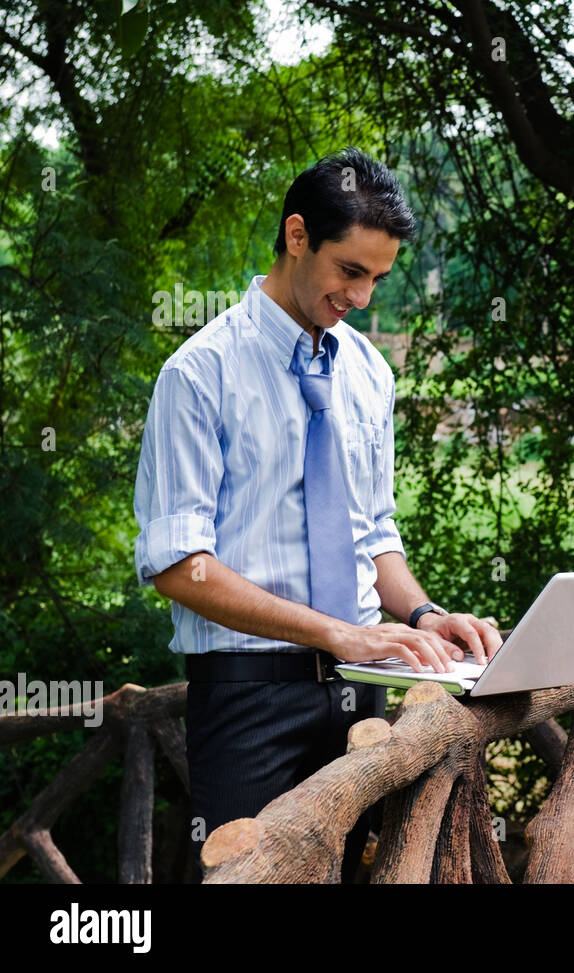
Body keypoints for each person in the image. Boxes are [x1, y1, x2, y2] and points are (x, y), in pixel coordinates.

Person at [132, 146, 502, 881]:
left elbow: (374, 537)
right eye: (350, 271)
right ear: (296, 236)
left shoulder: (370, 372)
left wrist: (426, 616)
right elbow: (179, 565)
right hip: (248, 698)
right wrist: (338, 632)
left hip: (363, 687)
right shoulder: (198, 374)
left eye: (378, 278)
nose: (362, 297)